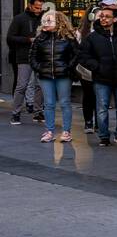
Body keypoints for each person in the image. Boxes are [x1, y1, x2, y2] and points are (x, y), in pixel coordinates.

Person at [78, 2, 117, 147]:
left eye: (107, 17)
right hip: (101, 78)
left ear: (114, 19)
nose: (103, 19)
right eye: (101, 16)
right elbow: (83, 56)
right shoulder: (92, 37)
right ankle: (103, 136)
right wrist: (97, 67)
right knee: (102, 108)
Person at [29, 10, 77, 143]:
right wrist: (40, 68)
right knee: (49, 104)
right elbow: (32, 57)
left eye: (49, 20)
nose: (45, 23)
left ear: (59, 22)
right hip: (45, 76)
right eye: (44, 20)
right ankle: (49, 131)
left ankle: (66, 132)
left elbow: (77, 55)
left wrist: (68, 67)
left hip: (64, 75)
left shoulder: (68, 37)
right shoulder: (40, 38)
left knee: (64, 103)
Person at [6, 0, 45, 124]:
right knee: (21, 85)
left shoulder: (44, 18)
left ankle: (38, 112)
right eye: (36, 7)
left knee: (40, 86)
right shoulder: (19, 19)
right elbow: (10, 37)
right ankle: (15, 114)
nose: (38, 10)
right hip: (24, 56)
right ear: (30, 5)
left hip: (40, 56)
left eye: (40, 7)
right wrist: (28, 40)